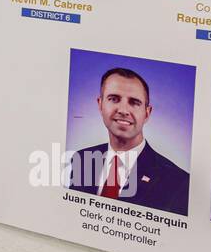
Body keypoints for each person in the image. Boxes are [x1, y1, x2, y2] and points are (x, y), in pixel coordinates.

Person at [66, 67, 190, 216]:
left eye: (134, 102)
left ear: (147, 113)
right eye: (114, 99)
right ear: (100, 104)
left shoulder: (178, 181)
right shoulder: (82, 159)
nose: (123, 110)